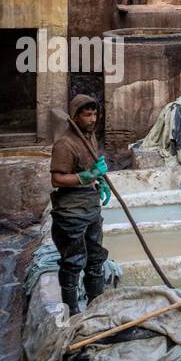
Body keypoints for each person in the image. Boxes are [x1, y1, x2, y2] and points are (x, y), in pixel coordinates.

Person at [48, 94, 112, 316]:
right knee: (74, 261)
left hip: (91, 206)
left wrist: (100, 180)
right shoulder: (65, 144)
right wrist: (87, 176)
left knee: (95, 257)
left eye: (95, 114)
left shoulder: (90, 137)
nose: (93, 119)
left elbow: (93, 165)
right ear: (75, 116)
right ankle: (70, 311)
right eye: (87, 115)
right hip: (71, 211)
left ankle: (96, 305)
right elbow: (57, 179)